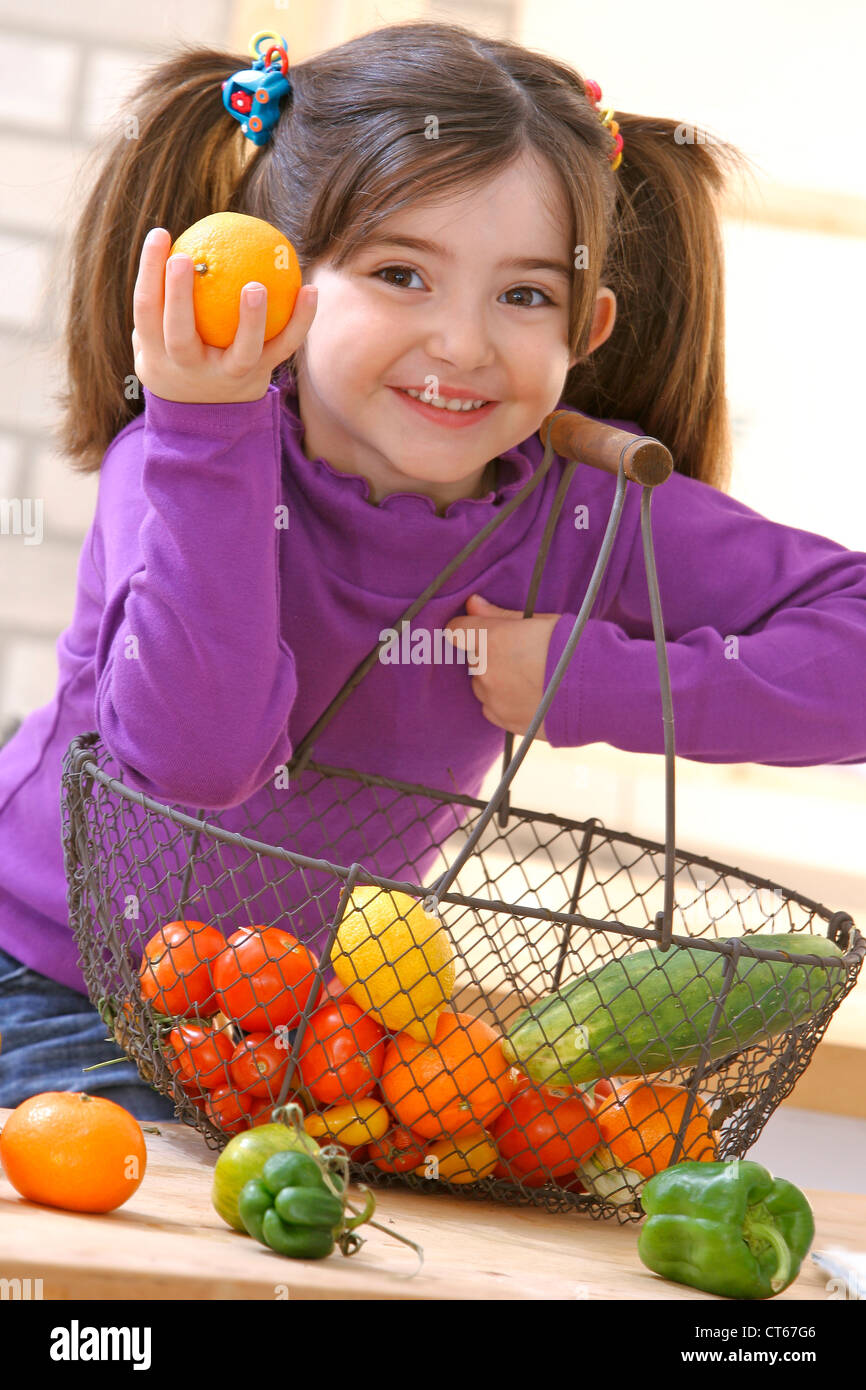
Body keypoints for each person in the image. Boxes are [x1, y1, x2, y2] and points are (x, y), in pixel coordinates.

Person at [1, 22, 864, 1121]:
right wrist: (207, 431)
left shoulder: (581, 521)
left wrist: (582, 678)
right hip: (42, 981)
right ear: (283, 281)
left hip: (288, 1036)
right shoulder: (182, 460)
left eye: (522, 296)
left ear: (584, 327)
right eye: (400, 274)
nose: (460, 343)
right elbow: (199, 757)